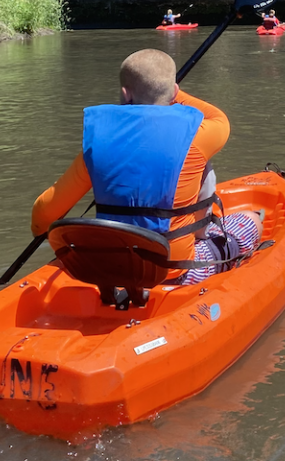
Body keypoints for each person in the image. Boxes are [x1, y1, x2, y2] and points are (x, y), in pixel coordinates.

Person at [30, 49, 261, 284]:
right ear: (174, 92)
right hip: (175, 271)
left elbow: (44, 214)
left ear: (124, 93)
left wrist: (39, 227)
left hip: (111, 266)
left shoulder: (97, 144)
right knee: (252, 220)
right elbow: (217, 117)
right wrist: (169, 91)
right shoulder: (198, 137)